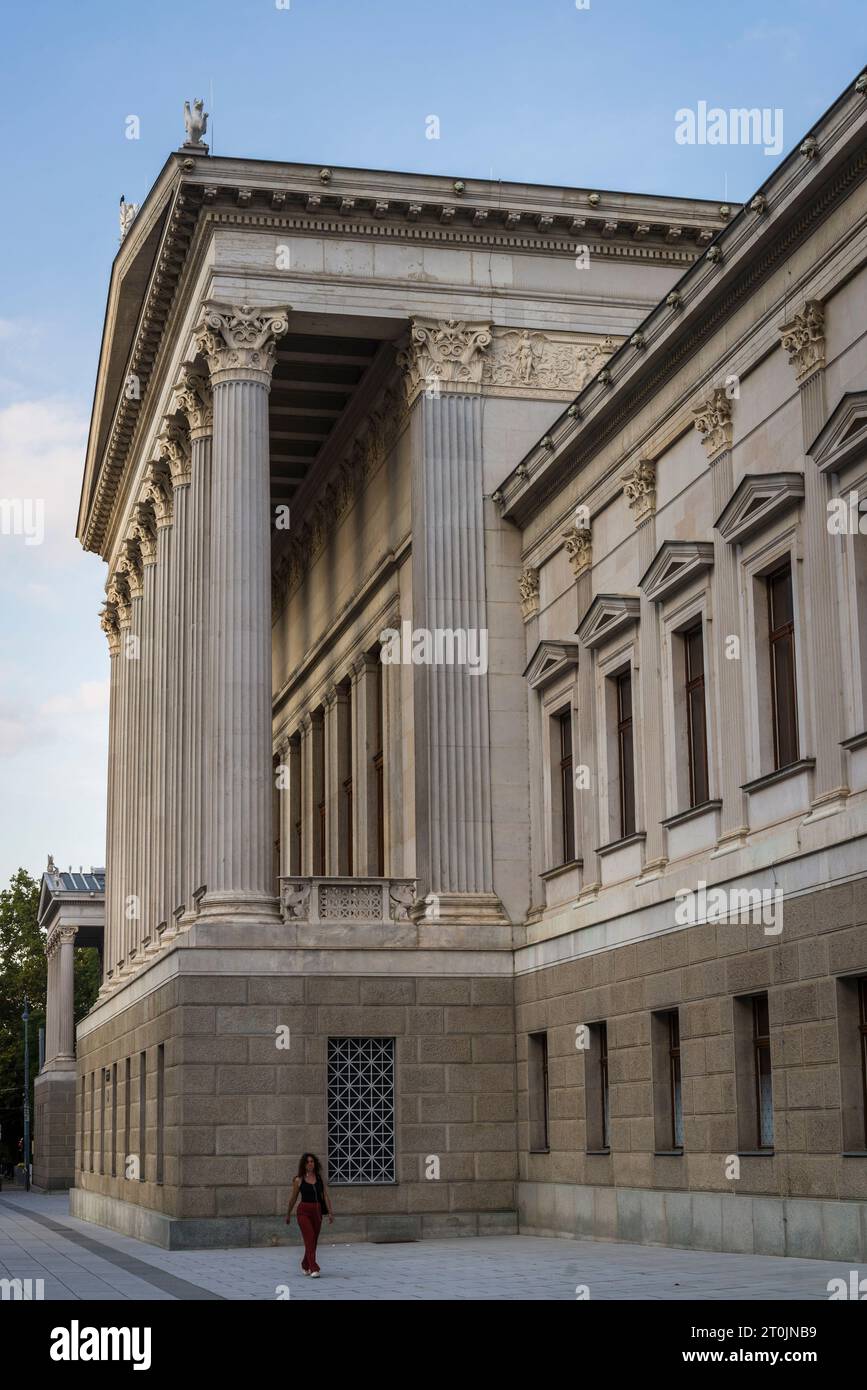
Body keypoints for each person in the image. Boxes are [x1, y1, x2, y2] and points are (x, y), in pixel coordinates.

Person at [286, 1152, 333, 1277]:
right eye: (307, 1162)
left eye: (312, 1161)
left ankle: (305, 1264)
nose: (310, 1163)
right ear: (304, 1164)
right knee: (310, 1237)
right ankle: (314, 1268)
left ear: (315, 1163)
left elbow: (324, 1196)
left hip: (317, 1211)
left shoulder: (319, 1178)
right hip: (304, 1211)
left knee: (313, 1240)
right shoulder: (298, 1180)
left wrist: (330, 1212)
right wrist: (288, 1214)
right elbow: (293, 1198)